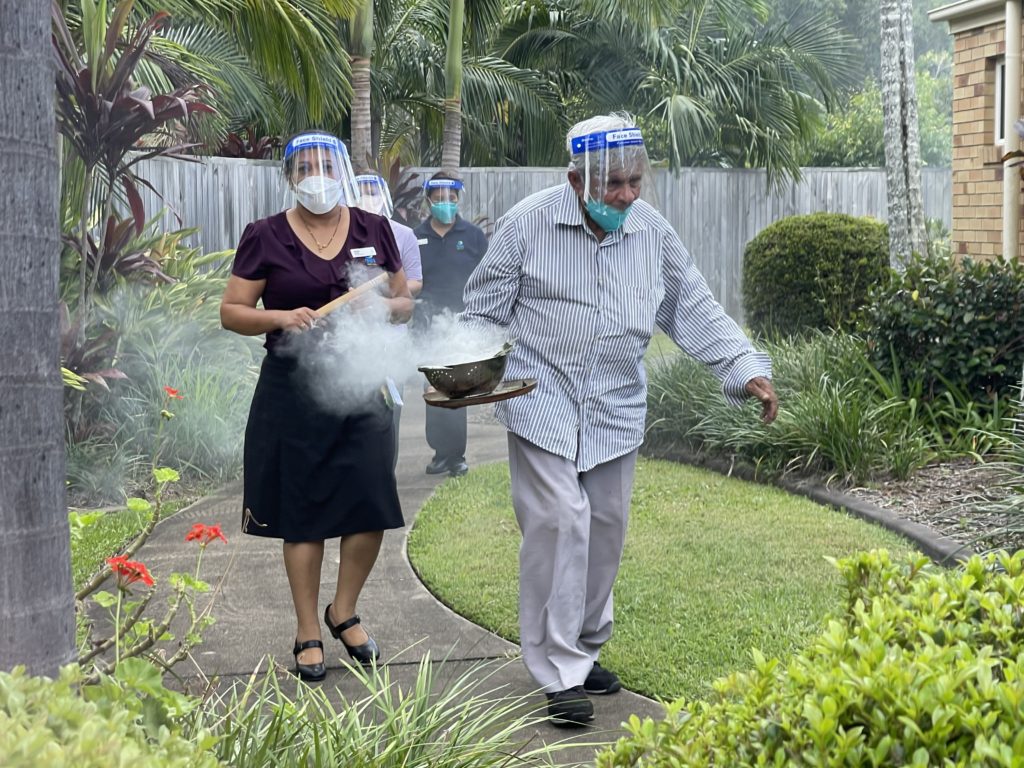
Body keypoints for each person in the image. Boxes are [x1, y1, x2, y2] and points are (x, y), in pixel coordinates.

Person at [459, 114, 779, 727]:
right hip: (540, 392)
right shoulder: (528, 224)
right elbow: (483, 310)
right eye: (614, 186)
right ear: (575, 180)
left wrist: (742, 366)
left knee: (605, 525)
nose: (627, 196)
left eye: (635, 183)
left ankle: (579, 641)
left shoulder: (650, 230)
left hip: (614, 399)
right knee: (559, 520)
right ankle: (560, 673)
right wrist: (469, 371)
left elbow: (691, 303)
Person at [220, 131, 414, 683]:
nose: (316, 175)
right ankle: (308, 629)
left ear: (344, 172)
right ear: (289, 176)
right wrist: (281, 317)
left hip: (362, 383)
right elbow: (232, 312)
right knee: (301, 515)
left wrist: (380, 308)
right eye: (304, 167)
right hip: (292, 390)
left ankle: (343, 611)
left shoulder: (374, 229)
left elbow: (403, 301)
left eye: (326, 165)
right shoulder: (265, 236)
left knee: (370, 504)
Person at [414, 170, 488, 477]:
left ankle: (456, 455)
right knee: (433, 387)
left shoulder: (472, 237)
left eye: (452, 198)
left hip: (460, 322)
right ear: (429, 200)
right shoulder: (416, 237)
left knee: (456, 387)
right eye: (440, 198)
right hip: (427, 324)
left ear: (459, 199)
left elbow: (488, 277)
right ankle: (439, 452)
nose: (446, 202)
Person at [354, 171, 423, 470]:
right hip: (352, 336)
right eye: (361, 192)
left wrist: (383, 298)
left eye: (374, 192)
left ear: (385, 199)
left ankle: (386, 473)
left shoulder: (403, 235)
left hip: (391, 334)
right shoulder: (343, 233)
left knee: (387, 409)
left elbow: (415, 282)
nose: (368, 198)